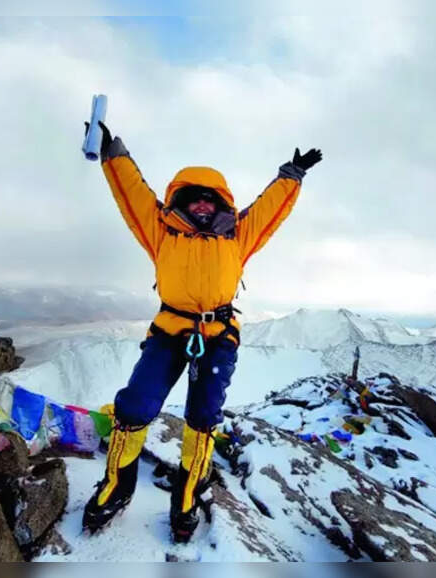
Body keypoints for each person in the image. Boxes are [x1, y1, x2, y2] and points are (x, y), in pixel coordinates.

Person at [82, 121, 322, 542]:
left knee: (203, 417)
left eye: (210, 200)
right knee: (135, 406)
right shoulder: (161, 231)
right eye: (194, 199)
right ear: (180, 201)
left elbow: (268, 211)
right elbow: (133, 195)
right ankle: (116, 488)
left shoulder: (237, 236)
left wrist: (293, 174)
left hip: (219, 336)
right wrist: (111, 152)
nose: (202, 206)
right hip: (169, 330)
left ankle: (187, 498)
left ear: (222, 204)